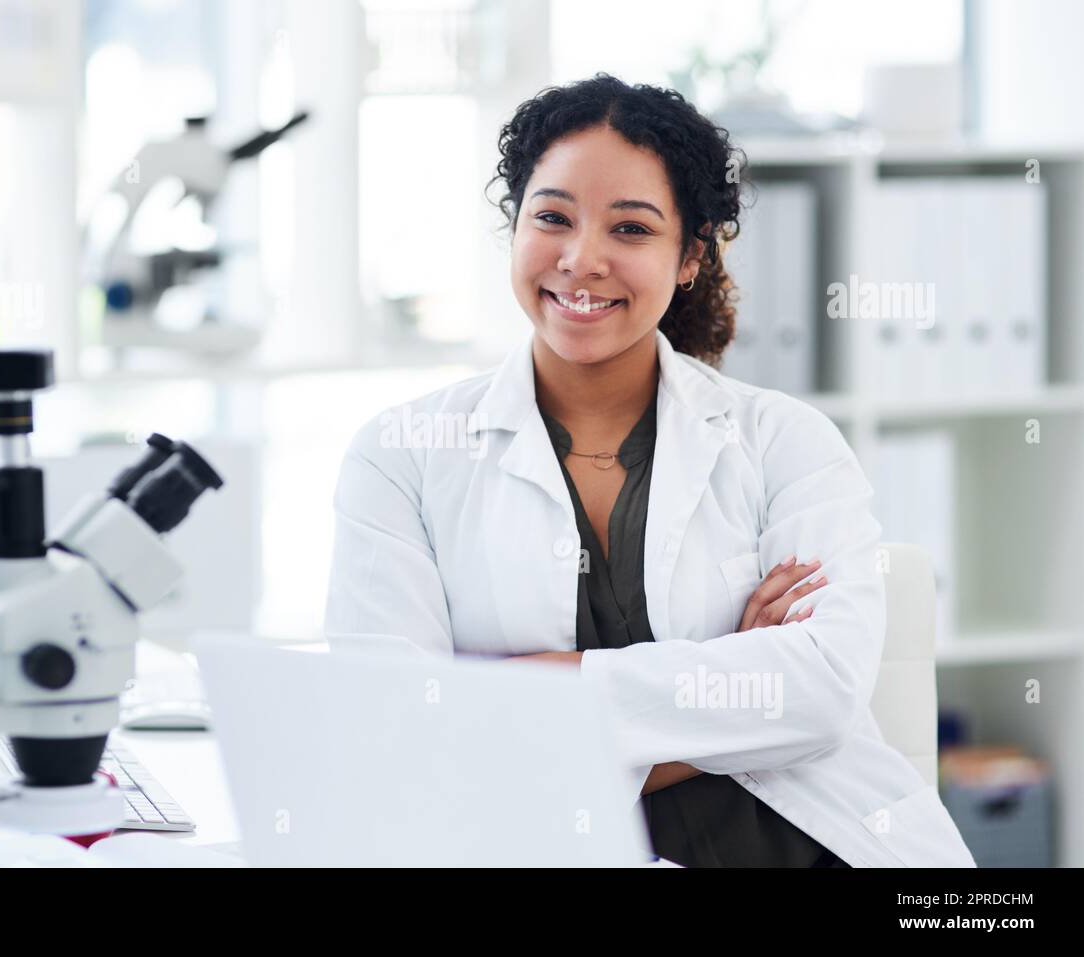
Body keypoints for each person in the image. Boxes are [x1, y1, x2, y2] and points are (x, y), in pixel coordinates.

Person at [325, 74, 974, 868]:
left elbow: (823, 693)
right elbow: (397, 739)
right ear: (515, 226)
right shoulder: (402, 457)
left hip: (823, 843)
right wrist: (731, 688)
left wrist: (518, 691)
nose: (581, 259)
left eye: (630, 229)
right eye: (552, 217)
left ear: (691, 255)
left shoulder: (785, 441)